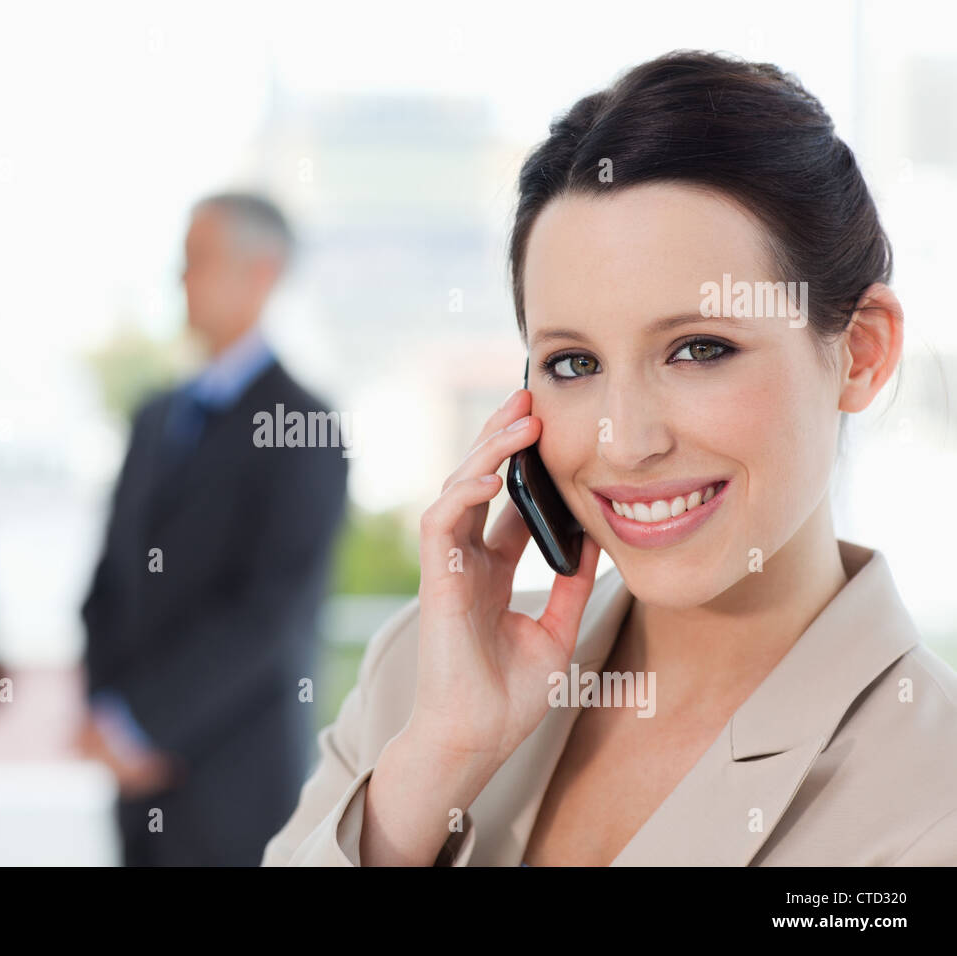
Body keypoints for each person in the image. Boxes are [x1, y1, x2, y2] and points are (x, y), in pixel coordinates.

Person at [263, 51, 957, 866]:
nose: (624, 442)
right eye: (574, 364)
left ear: (862, 352)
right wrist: (441, 760)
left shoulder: (928, 798)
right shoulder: (425, 672)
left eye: (699, 349)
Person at [79, 193, 349, 866]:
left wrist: (146, 727)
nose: (181, 281)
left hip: (236, 786)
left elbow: (268, 614)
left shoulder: (305, 426)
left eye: (197, 261)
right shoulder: (154, 416)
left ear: (261, 275)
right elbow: (108, 579)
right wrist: (106, 713)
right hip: (136, 795)